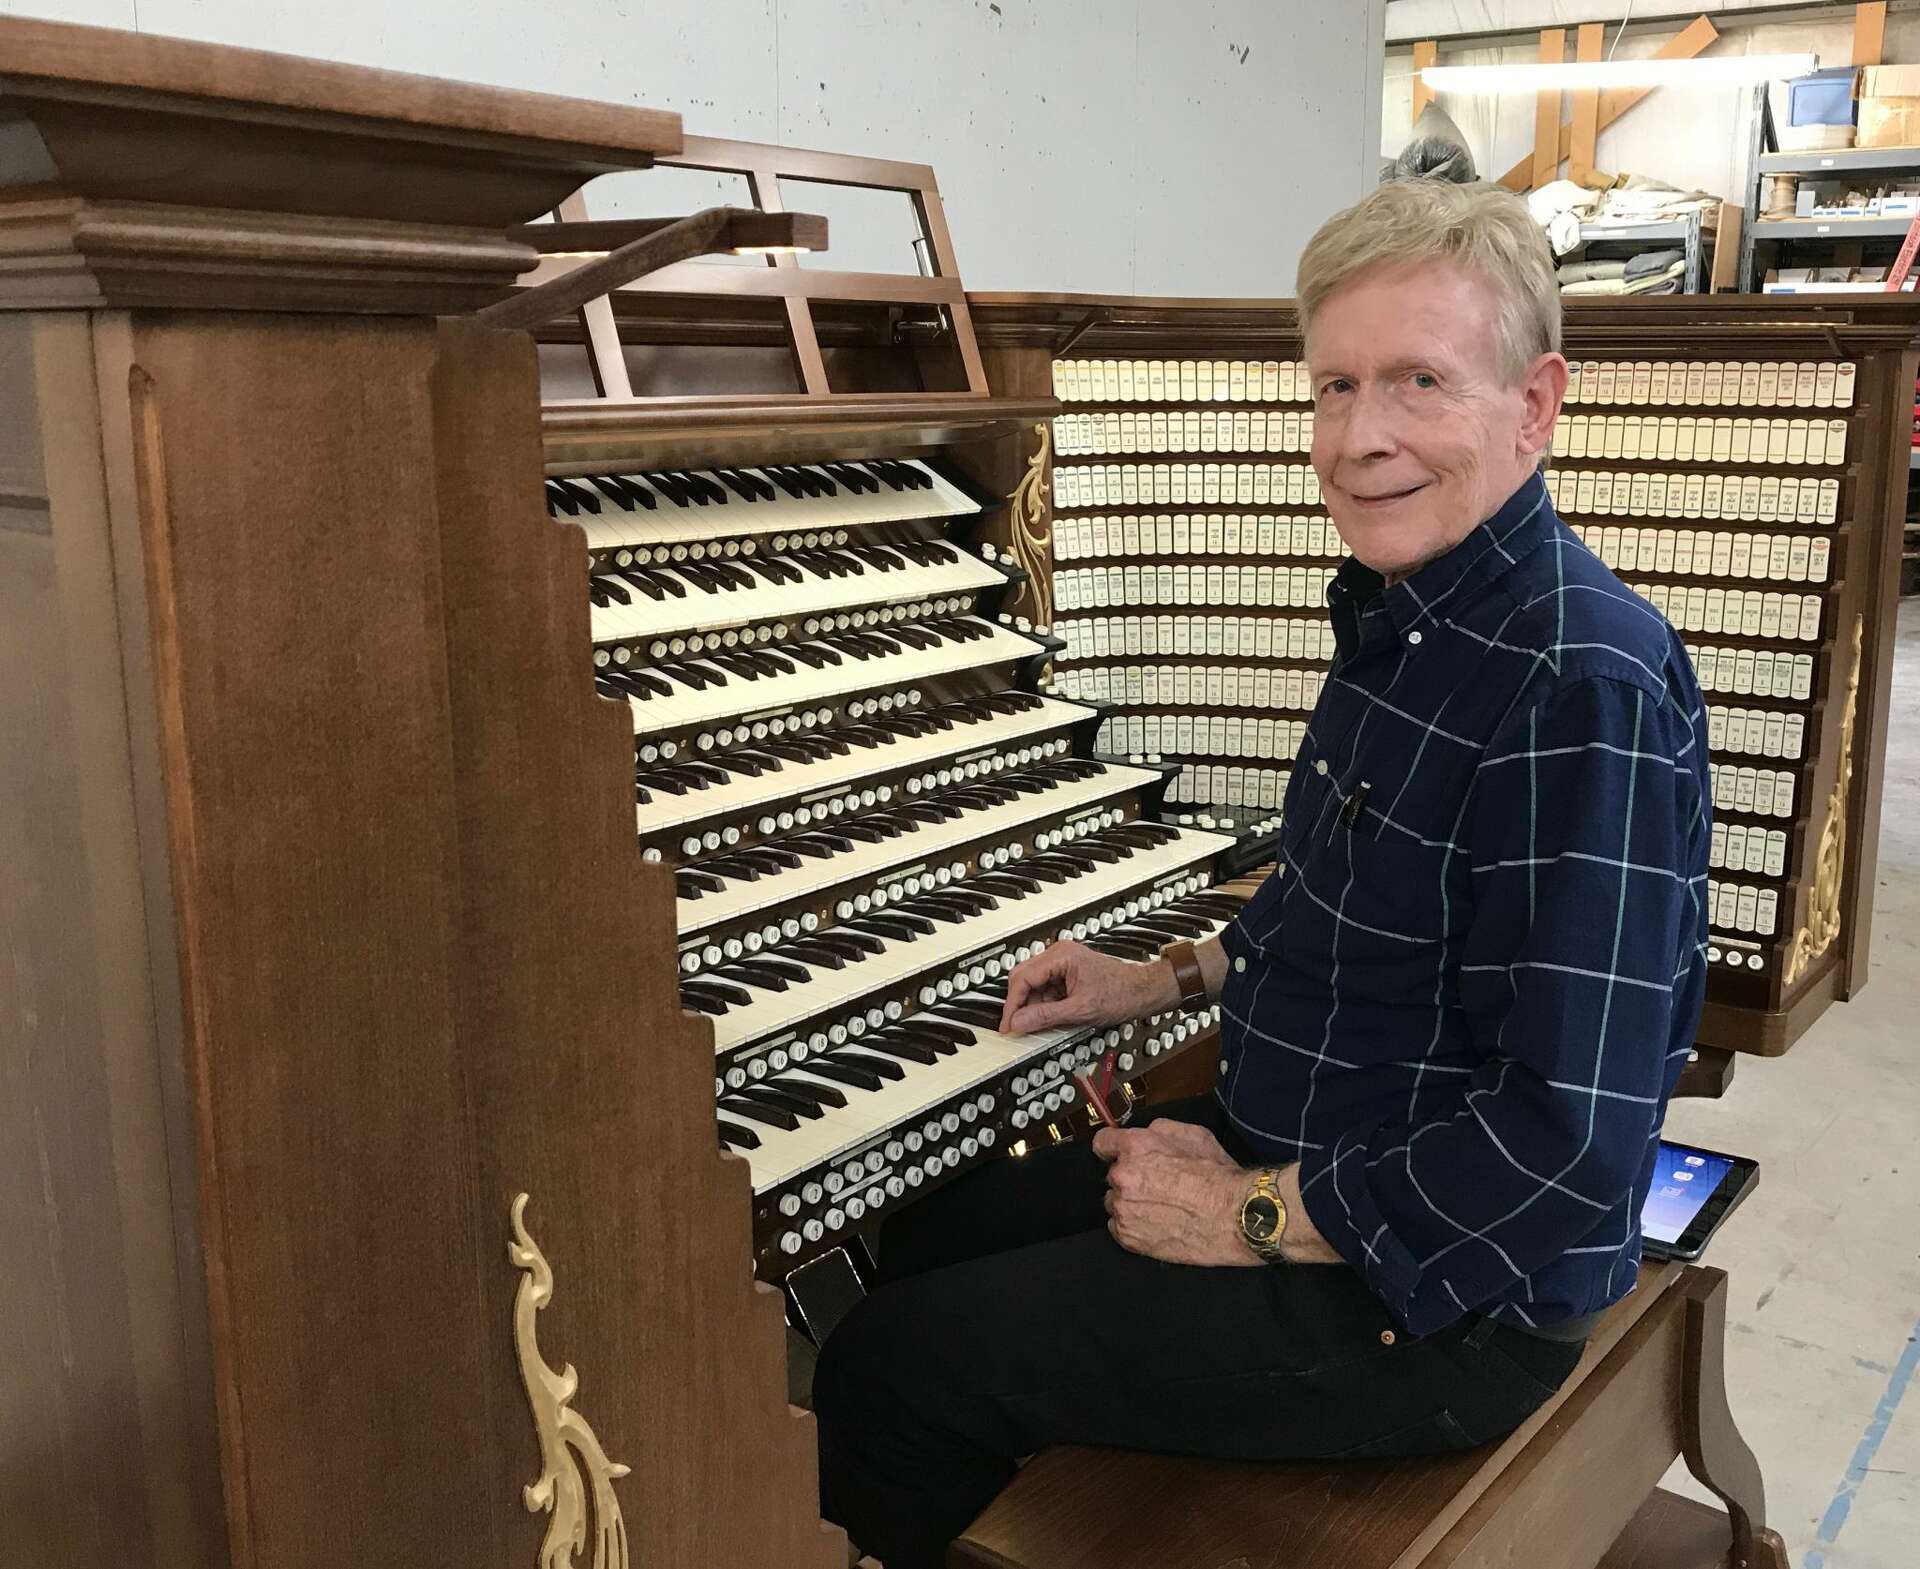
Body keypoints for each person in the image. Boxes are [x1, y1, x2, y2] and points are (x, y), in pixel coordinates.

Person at [812, 177, 1712, 1569]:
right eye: (1335, 386)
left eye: (1420, 381)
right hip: (1308, 1156)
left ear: (1535, 404)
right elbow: (1335, 892)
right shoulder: (1415, 609)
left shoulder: (1571, 685)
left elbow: (1564, 1149)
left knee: (890, 1367)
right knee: (930, 1234)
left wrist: (1243, 1217)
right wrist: (1159, 975)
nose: (1361, 440)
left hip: (1447, 1302)